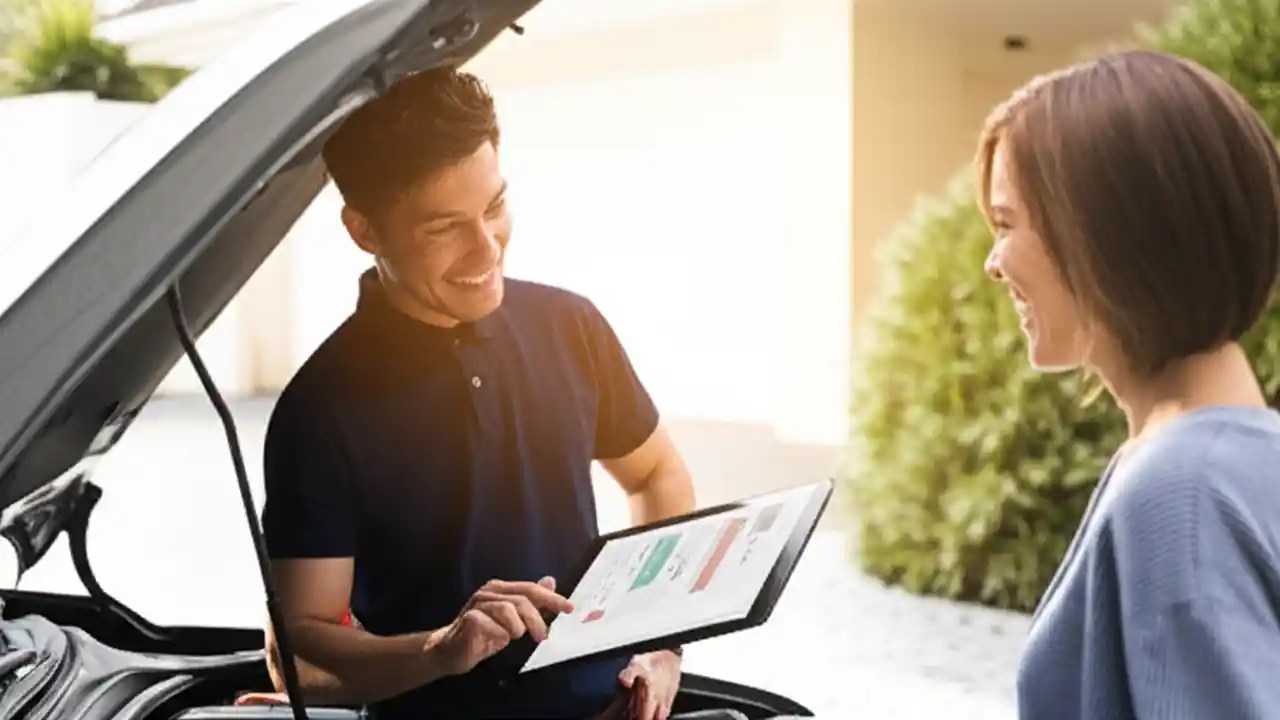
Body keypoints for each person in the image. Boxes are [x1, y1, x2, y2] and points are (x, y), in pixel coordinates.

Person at [251, 66, 702, 719]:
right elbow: (297, 652)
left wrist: (661, 644)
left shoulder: (571, 326)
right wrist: (439, 650)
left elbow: (657, 472)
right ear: (365, 231)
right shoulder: (319, 409)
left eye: (493, 208)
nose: (485, 249)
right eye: (443, 229)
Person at [976, 49, 1280, 719]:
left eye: (1006, 224)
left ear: (1107, 231)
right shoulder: (1239, 461)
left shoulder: (1181, 493)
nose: (994, 263)